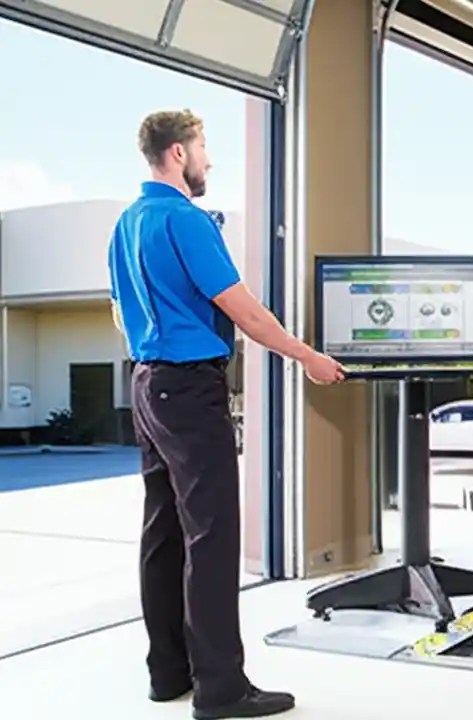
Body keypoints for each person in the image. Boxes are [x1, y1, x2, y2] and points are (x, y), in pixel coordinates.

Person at [108, 109, 345, 719]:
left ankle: (168, 675)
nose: (209, 158)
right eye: (204, 146)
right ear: (179, 154)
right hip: (188, 389)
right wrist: (307, 357)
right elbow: (246, 312)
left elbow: (118, 311)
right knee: (211, 538)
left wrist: (151, 355)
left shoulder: (126, 223)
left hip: (147, 383)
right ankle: (221, 689)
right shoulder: (184, 219)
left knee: (162, 533)